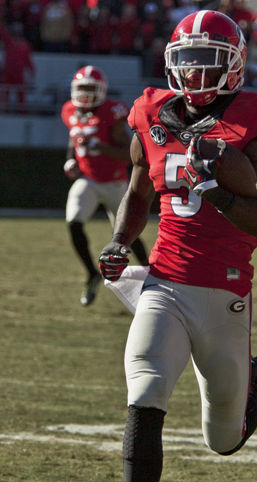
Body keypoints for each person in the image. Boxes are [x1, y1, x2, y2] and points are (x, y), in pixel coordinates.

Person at [96, 10, 257, 482]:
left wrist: (218, 191)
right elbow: (136, 190)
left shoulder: (256, 119)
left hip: (226, 294)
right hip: (164, 283)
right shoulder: (151, 111)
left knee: (223, 439)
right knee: (145, 389)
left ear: (234, 65)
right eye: (188, 61)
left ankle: (248, 376)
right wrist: (119, 241)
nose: (197, 73)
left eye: (210, 61)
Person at [62, 65, 149, 306]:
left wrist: (100, 147)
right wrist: (71, 158)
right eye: (83, 88)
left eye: (91, 88)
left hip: (114, 182)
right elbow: (74, 137)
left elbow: (128, 155)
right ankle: (91, 274)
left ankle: (152, 276)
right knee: (74, 223)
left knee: (129, 234)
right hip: (88, 180)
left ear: (101, 90)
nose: (86, 94)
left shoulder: (112, 113)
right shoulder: (69, 110)